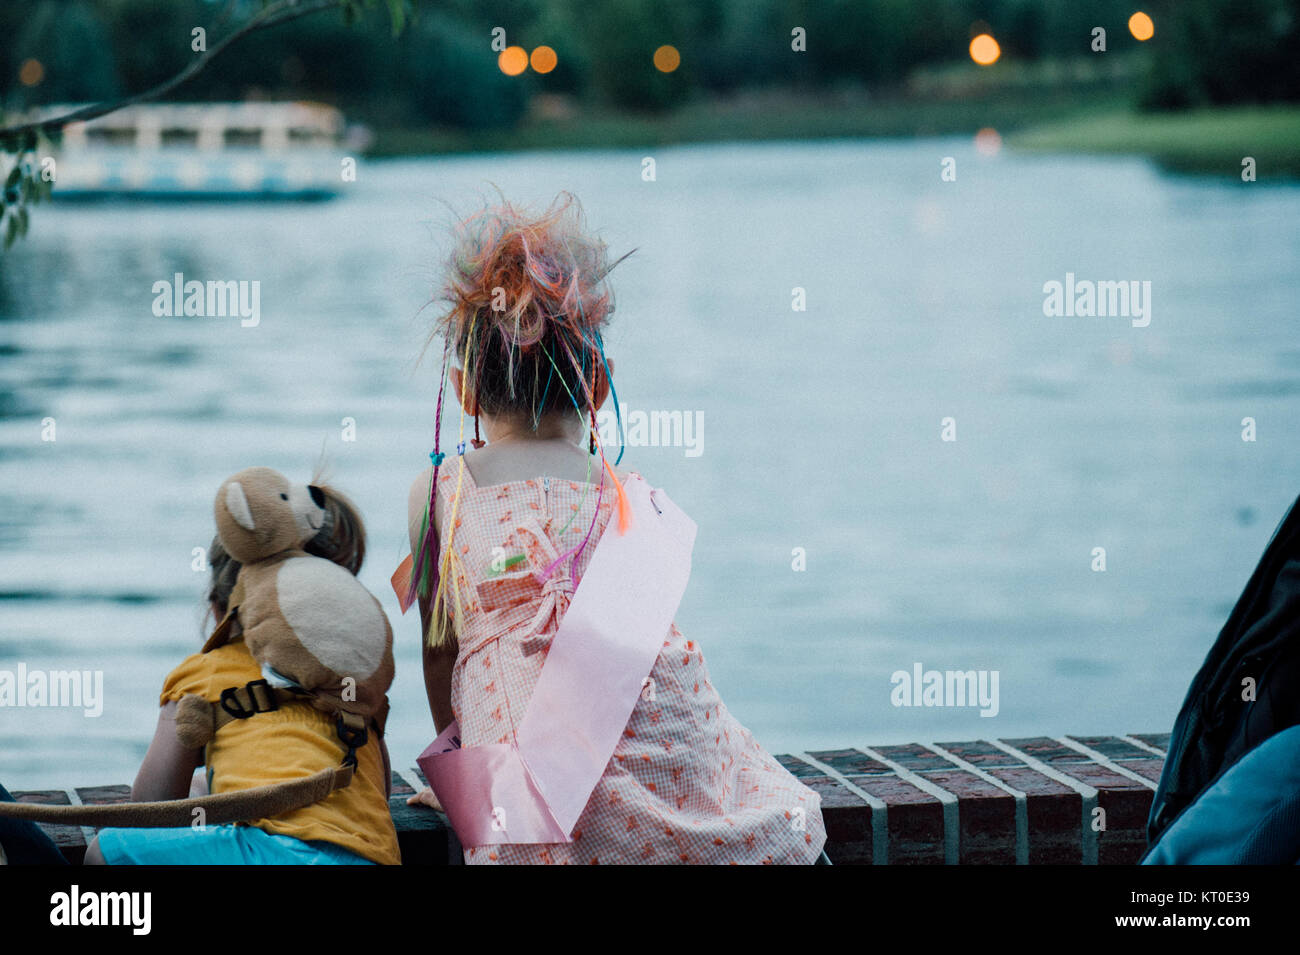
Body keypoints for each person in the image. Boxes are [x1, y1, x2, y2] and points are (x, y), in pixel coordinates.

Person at [403, 192, 827, 864]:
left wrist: (465, 769)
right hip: (670, 768)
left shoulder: (441, 493)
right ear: (598, 385)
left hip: (537, 811)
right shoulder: (624, 495)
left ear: (464, 393)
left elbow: (436, 651)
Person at [85, 481, 400, 865]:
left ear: (218, 609)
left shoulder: (204, 676)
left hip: (266, 853)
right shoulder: (351, 683)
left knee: (105, 852)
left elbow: (150, 810)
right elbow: (377, 793)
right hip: (370, 857)